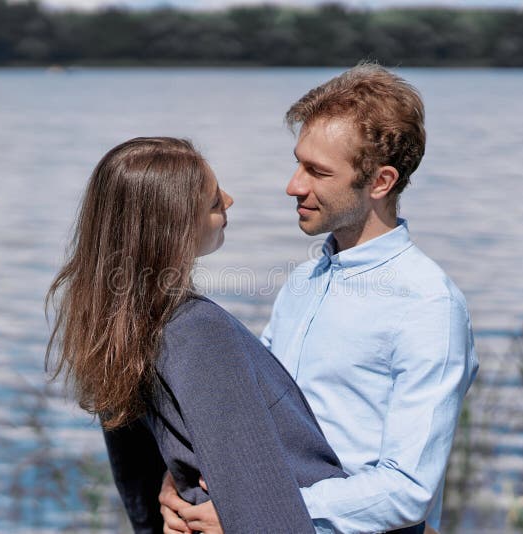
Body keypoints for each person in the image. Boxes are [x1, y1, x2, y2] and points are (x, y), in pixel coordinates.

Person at [159, 63, 479, 533]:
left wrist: (255, 513)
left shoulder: (429, 307)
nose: (294, 185)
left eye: (317, 171)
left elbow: (407, 489)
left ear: (380, 183)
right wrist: (179, 478)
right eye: (298, 162)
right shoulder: (305, 280)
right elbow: (248, 412)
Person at [44, 137, 378, 533]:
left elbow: (137, 477)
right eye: (214, 202)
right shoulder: (197, 331)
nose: (231, 200)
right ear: (175, 226)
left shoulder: (119, 328)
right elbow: (257, 486)